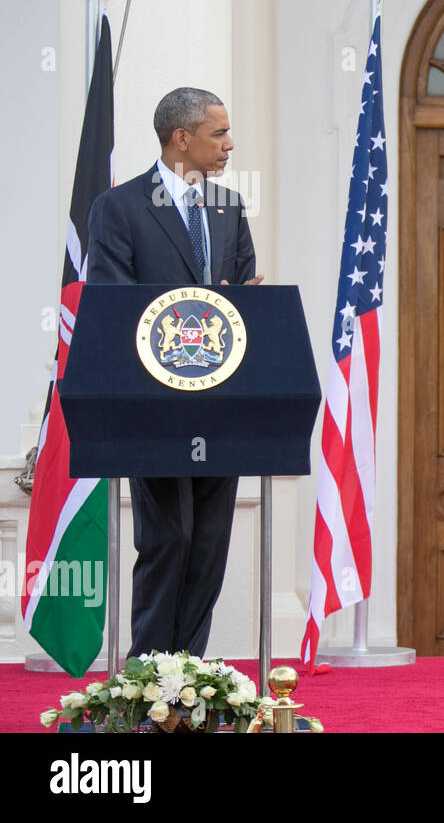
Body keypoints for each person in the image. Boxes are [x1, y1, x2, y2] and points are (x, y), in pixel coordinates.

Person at [86, 87, 264, 657]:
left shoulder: (231, 208)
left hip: (222, 405)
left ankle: (189, 682)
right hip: (155, 406)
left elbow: (243, 300)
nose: (229, 144)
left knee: (209, 542)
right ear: (181, 138)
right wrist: (200, 304)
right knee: (170, 537)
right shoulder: (119, 208)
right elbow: (113, 304)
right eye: (219, 133)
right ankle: (147, 677)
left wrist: (243, 302)